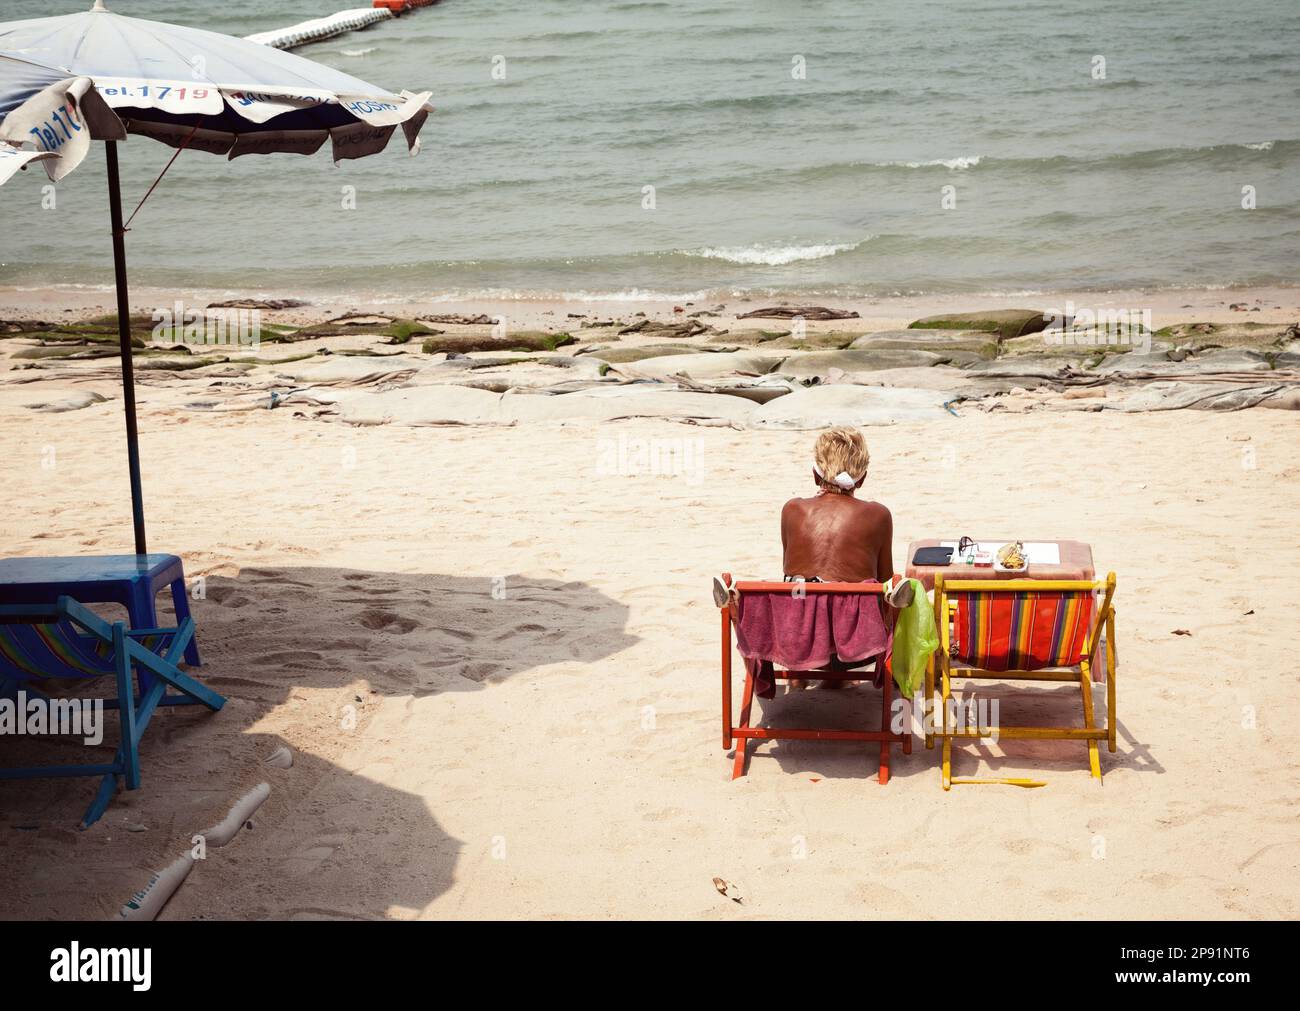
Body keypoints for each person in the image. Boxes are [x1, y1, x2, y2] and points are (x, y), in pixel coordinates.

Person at [781, 426, 893, 585]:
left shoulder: (791, 510)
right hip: (854, 609)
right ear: (861, 480)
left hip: (798, 606)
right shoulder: (878, 515)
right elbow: (886, 585)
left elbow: (788, 571)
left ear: (815, 476)